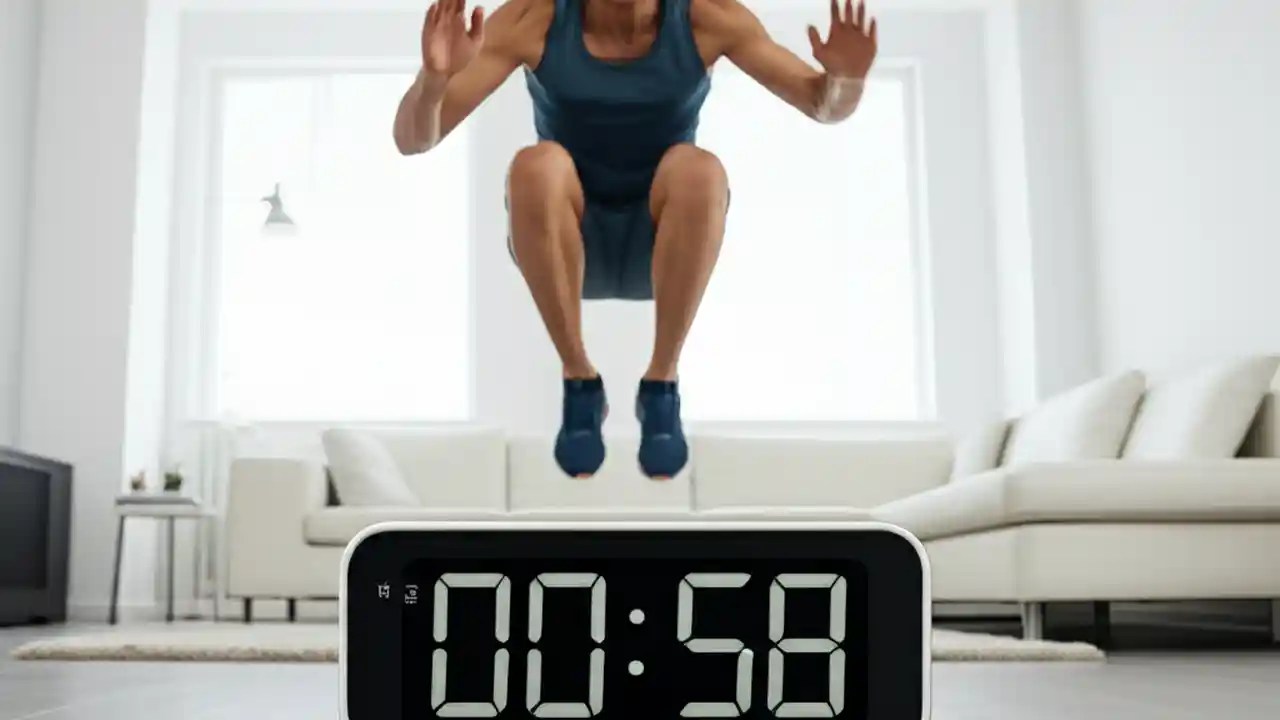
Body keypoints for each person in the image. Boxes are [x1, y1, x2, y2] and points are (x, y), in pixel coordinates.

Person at [393, 0, 878, 480]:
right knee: (536, 164)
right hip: (562, 244)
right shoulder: (533, 18)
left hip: (667, 245)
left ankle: (661, 385)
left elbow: (822, 103)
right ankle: (579, 380)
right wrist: (434, 79)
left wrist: (847, 81)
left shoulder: (709, 18)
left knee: (699, 168)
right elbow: (415, 139)